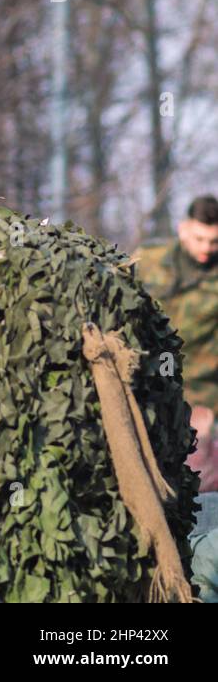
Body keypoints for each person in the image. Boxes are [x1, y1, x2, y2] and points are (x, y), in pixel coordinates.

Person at [134, 195, 218, 492]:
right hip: (145, 387)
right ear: (183, 229)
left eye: (214, 241)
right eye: (200, 239)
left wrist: (209, 409)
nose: (207, 248)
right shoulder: (149, 260)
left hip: (198, 398)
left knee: (197, 488)